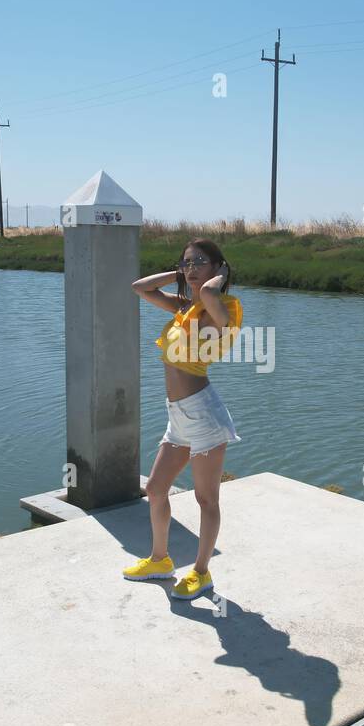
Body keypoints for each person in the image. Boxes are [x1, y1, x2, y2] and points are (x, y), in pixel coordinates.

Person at [125, 238, 243, 600]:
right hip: (178, 415)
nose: (191, 269)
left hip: (204, 415)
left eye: (200, 262)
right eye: (186, 263)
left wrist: (216, 280)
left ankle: (201, 573)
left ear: (218, 269)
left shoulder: (224, 309)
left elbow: (210, 295)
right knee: (155, 489)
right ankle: (160, 560)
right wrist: (181, 273)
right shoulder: (184, 308)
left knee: (207, 500)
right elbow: (140, 287)